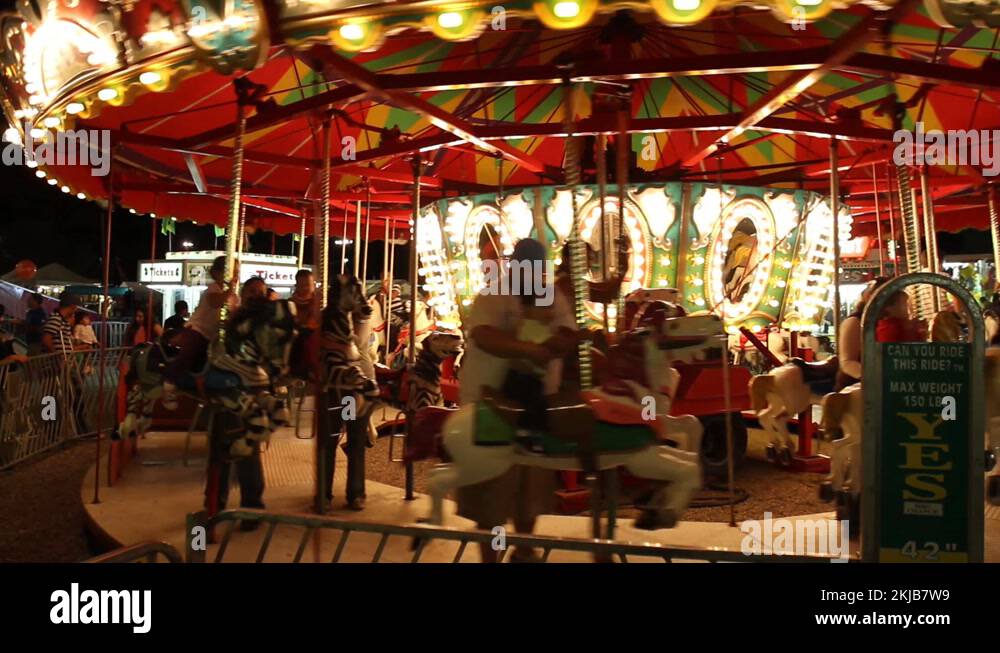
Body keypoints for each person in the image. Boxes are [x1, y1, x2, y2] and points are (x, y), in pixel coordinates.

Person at [457, 237, 577, 563]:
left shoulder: (550, 294)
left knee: (531, 480)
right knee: (492, 489)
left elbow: (568, 330)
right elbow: (483, 334)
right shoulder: (495, 293)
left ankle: (524, 548)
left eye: (537, 268)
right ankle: (491, 556)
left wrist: (555, 343)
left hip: (534, 400)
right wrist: (529, 349)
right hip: (491, 400)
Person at [162, 256, 239, 409]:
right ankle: (170, 382)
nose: (235, 276)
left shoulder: (235, 298)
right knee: (190, 351)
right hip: (198, 329)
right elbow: (215, 302)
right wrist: (230, 289)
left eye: (237, 272)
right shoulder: (213, 289)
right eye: (231, 272)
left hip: (214, 337)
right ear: (217, 273)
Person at [835, 277, 888, 390]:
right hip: (856, 383)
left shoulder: (889, 323)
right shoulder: (854, 322)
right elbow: (847, 362)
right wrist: (877, 378)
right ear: (869, 297)